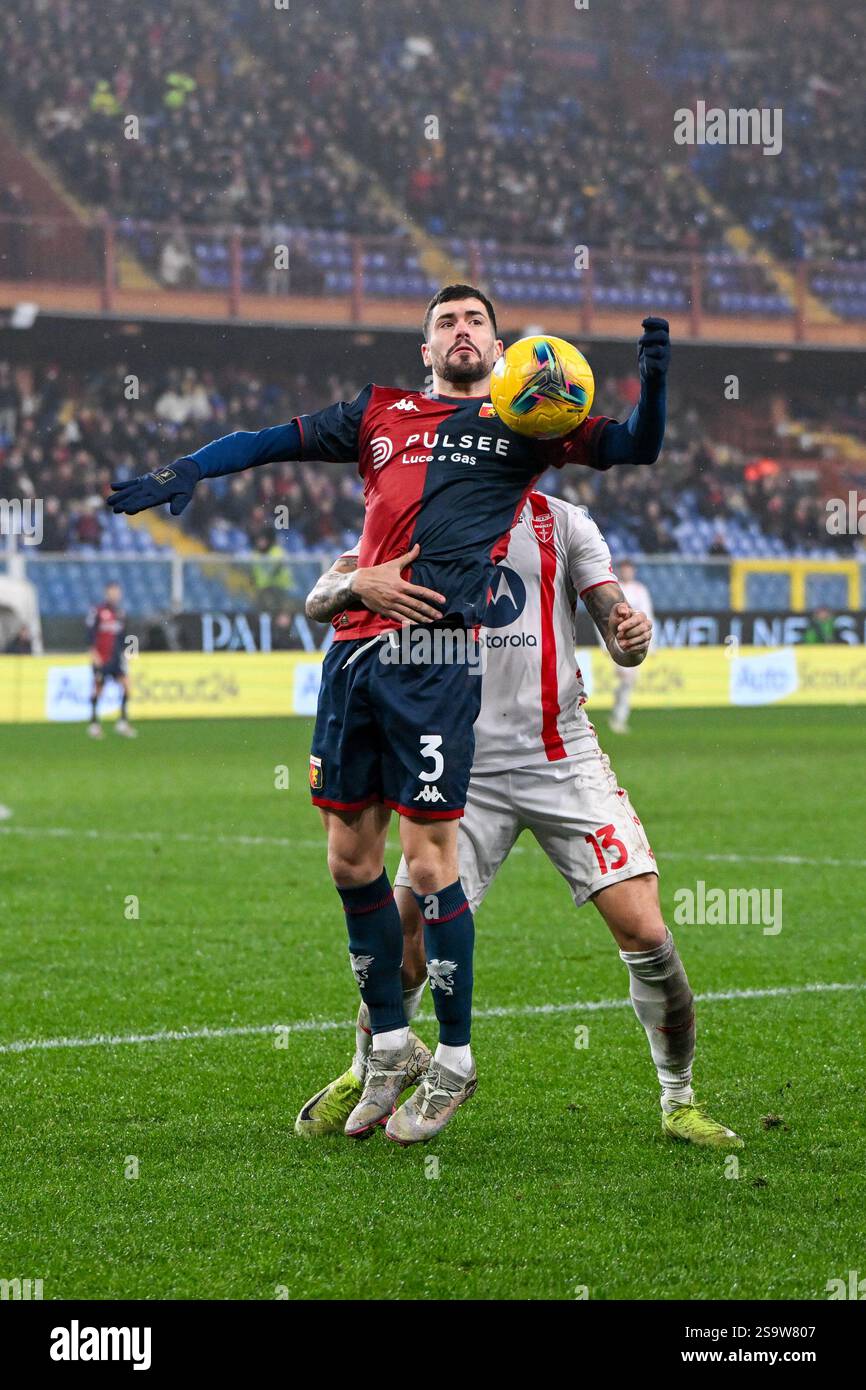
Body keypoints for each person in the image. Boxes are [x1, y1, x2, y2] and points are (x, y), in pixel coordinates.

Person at [107, 285, 670, 1142]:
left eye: (476, 320)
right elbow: (272, 440)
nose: (461, 331)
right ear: (426, 348)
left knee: (429, 864)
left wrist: (653, 376)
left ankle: (455, 1058)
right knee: (347, 860)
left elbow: (636, 444)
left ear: (501, 344)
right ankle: (393, 1046)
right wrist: (189, 468)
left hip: (438, 656)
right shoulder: (378, 413)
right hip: (353, 651)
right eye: (446, 322)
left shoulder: (529, 424)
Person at [296, 495, 741, 1150]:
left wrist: (628, 635)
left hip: (561, 759)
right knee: (407, 936)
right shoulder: (421, 507)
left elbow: (616, 628)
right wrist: (349, 584)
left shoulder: (564, 522)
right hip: (461, 764)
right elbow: (329, 588)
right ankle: (368, 1069)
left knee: (646, 930)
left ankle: (679, 1100)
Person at [608, 559, 655, 734]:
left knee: (629, 681)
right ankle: (618, 718)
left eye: (630, 569)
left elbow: (648, 614)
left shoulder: (640, 589)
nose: (627, 572)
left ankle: (619, 712)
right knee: (626, 678)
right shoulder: (614, 588)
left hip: (636, 641)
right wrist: (607, 645)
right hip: (619, 640)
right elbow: (606, 618)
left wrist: (652, 643)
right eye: (625, 569)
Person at [87, 582, 136, 738]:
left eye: (117, 592)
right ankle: (94, 723)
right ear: (107, 593)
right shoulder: (98, 611)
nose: (115, 595)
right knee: (98, 690)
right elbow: (90, 634)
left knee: (127, 687)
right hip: (102, 658)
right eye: (112, 592)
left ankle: (122, 722)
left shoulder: (121, 613)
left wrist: (130, 654)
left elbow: (128, 635)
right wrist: (93, 653)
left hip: (117, 658)